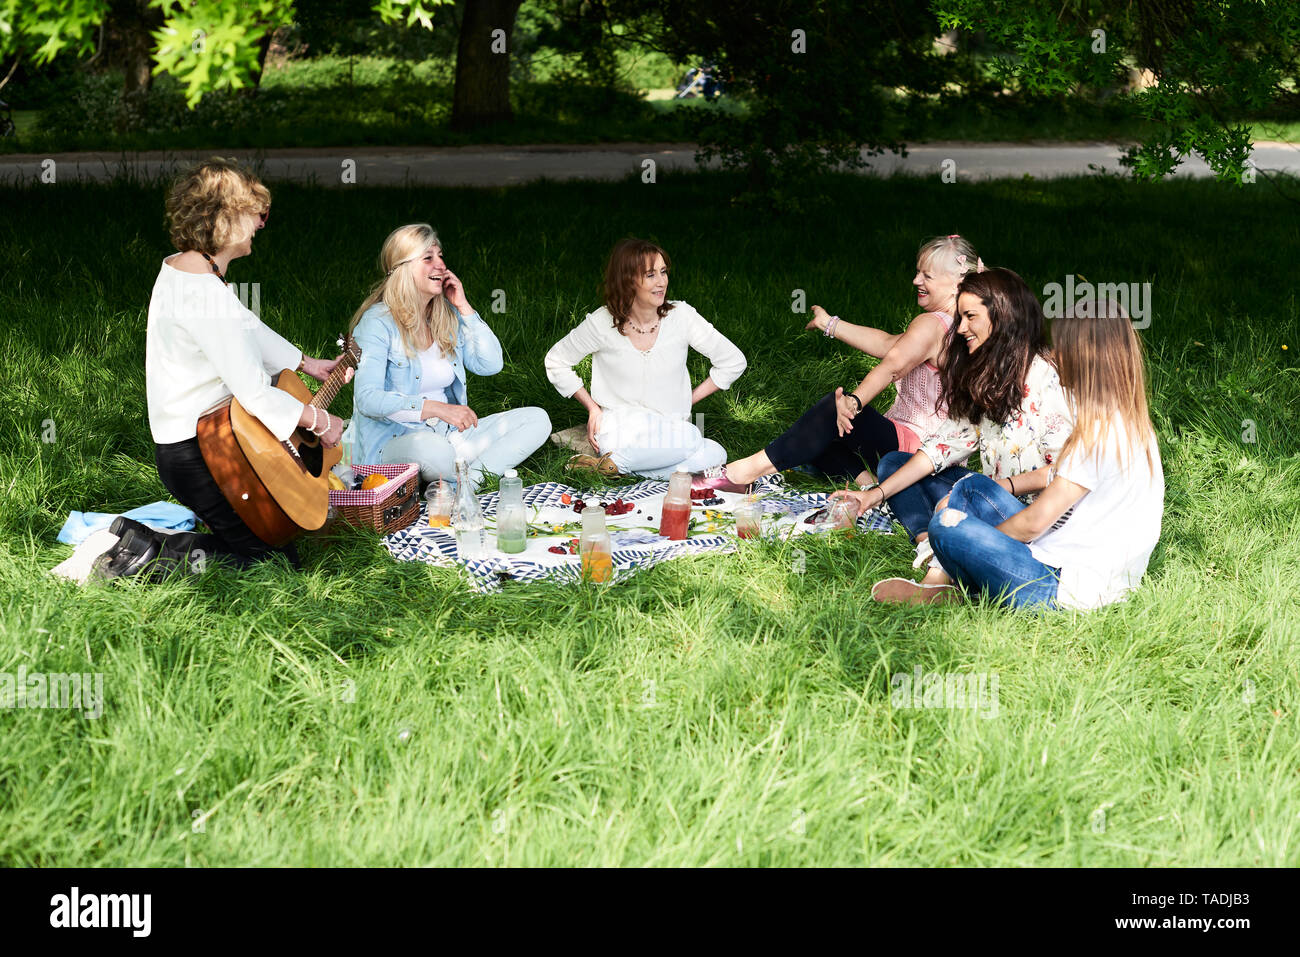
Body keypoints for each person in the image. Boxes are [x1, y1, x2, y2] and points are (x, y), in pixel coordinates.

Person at [95, 158, 353, 580]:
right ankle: (144, 551)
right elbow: (254, 394)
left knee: (271, 543)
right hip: (199, 455)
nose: (262, 223)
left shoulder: (187, 268)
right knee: (272, 563)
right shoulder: (204, 294)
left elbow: (244, 325)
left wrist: (305, 363)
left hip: (205, 444)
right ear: (226, 218)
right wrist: (319, 420)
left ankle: (142, 541)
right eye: (257, 213)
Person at [837, 299, 1164, 609]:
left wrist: (968, 538)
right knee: (967, 490)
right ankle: (947, 580)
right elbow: (1054, 477)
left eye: (1063, 347)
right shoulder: (1121, 419)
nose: (1056, 355)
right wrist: (991, 496)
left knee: (948, 526)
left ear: (1085, 356)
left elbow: (1035, 522)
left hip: (1064, 585)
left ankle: (944, 574)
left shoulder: (1098, 429)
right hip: (1059, 554)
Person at [827, 267, 1074, 600]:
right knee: (896, 464)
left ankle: (935, 581)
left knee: (968, 487)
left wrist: (991, 489)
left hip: (1038, 521)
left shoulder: (1046, 378)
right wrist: (872, 497)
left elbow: (1066, 472)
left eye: (970, 316)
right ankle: (931, 540)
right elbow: (939, 449)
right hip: (996, 501)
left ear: (1002, 316)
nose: (960, 328)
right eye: (959, 317)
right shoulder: (987, 378)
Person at [692, 235, 983, 493]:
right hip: (932, 450)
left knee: (830, 413)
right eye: (917, 272)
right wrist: (829, 323)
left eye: (927, 276)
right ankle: (870, 485)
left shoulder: (931, 325)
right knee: (812, 437)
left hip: (918, 446)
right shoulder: (957, 324)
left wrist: (853, 402)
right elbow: (887, 344)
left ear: (957, 282)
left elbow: (893, 364)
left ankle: (740, 474)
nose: (916, 281)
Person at [348, 224, 550, 489]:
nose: (441, 265)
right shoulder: (378, 322)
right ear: (403, 268)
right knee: (435, 452)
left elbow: (491, 364)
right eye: (428, 258)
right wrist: (437, 409)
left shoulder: (444, 316)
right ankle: (462, 475)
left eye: (440, 256)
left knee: (538, 420)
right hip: (397, 442)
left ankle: (462, 486)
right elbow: (368, 399)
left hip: (449, 437)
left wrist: (464, 308)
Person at [544, 238, 747, 479]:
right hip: (620, 428)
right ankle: (623, 463)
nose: (662, 282)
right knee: (693, 439)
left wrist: (687, 400)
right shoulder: (601, 323)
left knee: (716, 453)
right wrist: (593, 409)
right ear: (628, 281)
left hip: (671, 428)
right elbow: (556, 361)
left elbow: (733, 360)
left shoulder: (682, 317)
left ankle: (613, 467)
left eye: (663, 272)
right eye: (651, 275)